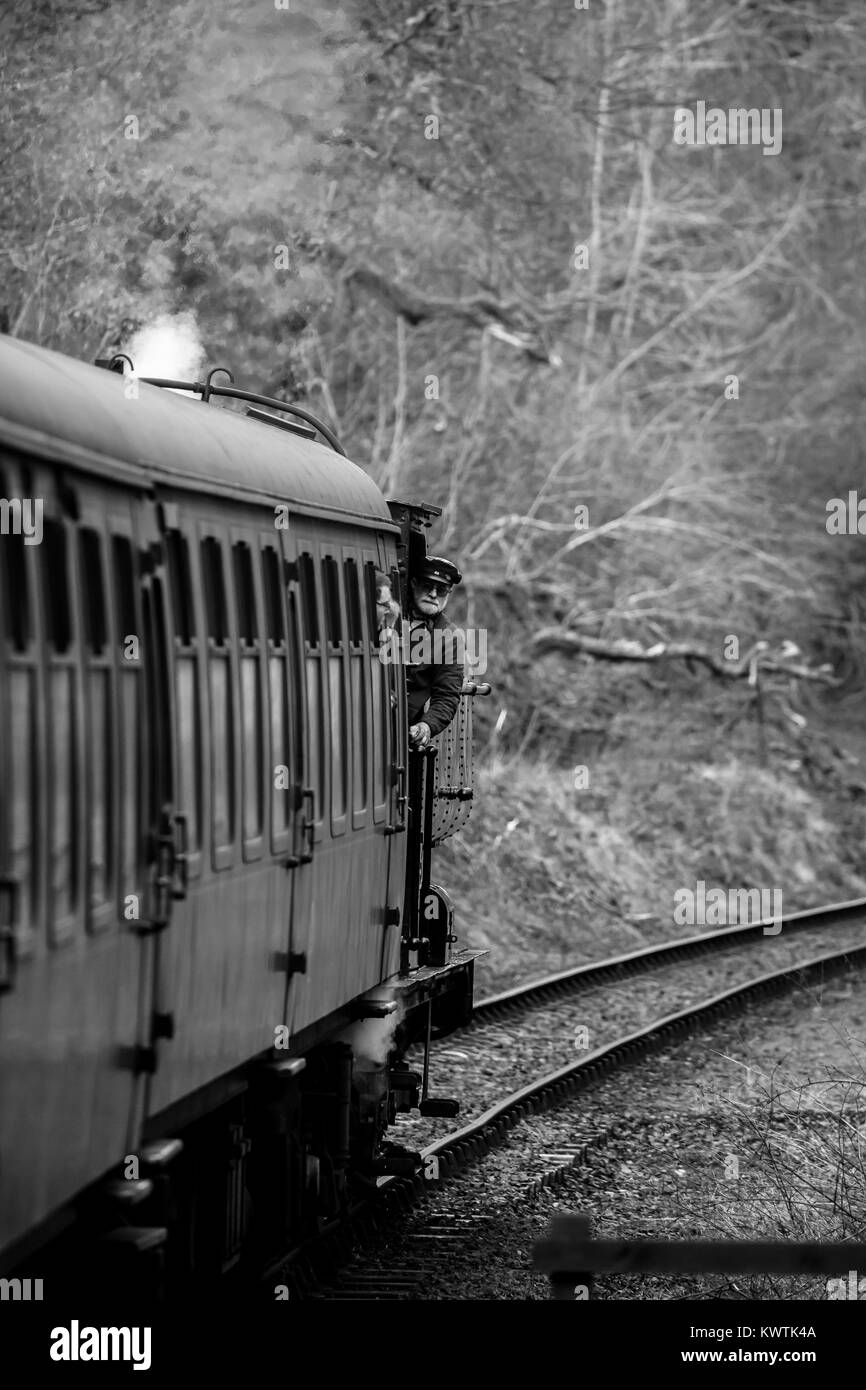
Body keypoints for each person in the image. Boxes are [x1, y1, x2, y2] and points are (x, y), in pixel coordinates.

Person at [405, 555, 464, 749]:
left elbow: (447, 694)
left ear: (449, 593)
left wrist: (426, 726)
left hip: (403, 726)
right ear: (413, 583)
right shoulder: (389, 615)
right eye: (427, 586)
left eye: (441, 590)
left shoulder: (450, 637)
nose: (433, 594)